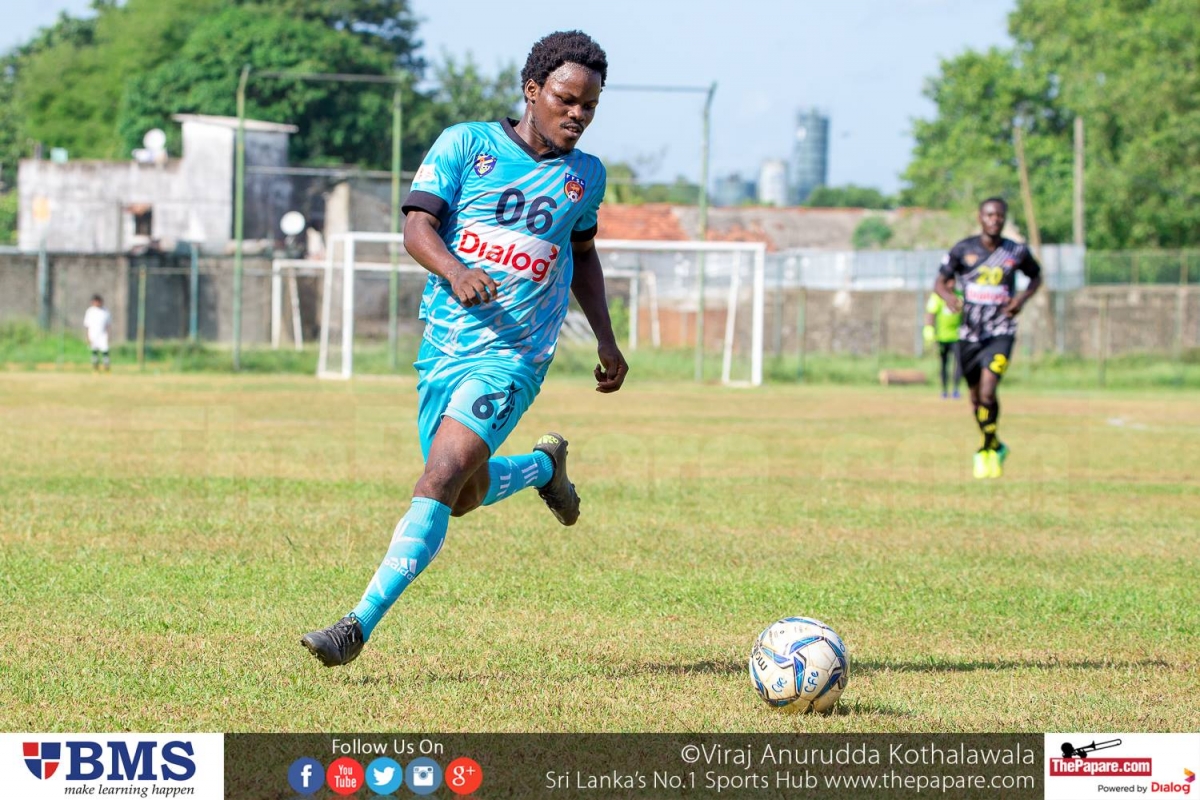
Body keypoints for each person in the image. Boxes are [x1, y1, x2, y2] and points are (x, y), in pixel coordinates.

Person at [301, 30, 628, 667]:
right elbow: (416, 227)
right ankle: (541, 469)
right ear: (532, 91)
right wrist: (455, 272)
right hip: (444, 350)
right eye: (566, 99)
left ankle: (355, 625)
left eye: (590, 105)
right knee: (464, 494)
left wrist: (607, 339)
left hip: (516, 355)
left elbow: (583, 256)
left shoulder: (586, 177)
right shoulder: (466, 144)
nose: (578, 115)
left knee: (439, 477)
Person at [934, 197, 1041, 480]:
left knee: (988, 391)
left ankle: (985, 449)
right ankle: (994, 444)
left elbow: (1036, 276)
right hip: (969, 334)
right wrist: (948, 297)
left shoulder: (1015, 251)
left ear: (1004, 219)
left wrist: (1022, 299)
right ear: (980, 217)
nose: (995, 220)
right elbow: (940, 282)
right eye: (989, 215)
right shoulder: (963, 249)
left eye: (999, 216)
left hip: (1000, 332)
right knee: (975, 399)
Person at [923, 286, 963, 398]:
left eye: (953, 281)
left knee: (959, 363)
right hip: (942, 337)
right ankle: (944, 390)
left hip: (957, 337)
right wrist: (929, 329)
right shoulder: (937, 297)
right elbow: (930, 313)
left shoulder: (960, 295)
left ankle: (956, 389)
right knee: (944, 364)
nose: (951, 284)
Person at [83, 295, 111, 373]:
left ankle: (106, 367)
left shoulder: (105, 311)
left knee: (105, 351)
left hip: (103, 334)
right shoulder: (90, 311)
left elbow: (108, 325)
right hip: (93, 334)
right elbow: (87, 325)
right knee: (94, 351)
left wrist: (108, 335)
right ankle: (95, 367)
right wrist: (87, 336)